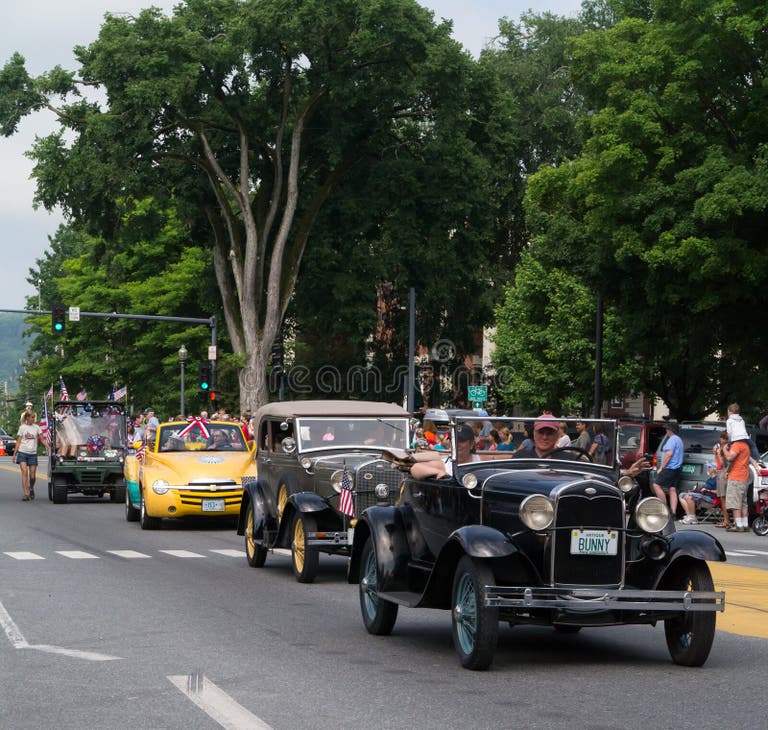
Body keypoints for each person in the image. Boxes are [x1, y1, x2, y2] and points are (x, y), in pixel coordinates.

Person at [410, 424, 479, 479]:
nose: (457, 444)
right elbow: (415, 468)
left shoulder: (481, 459)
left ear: (471, 444)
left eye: (461, 440)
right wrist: (439, 472)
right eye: (454, 440)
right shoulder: (446, 464)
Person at [14, 411, 48, 500]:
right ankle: (26, 494)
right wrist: (15, 454)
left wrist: (48, 447)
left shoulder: (37, 427)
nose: (34, 419)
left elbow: (42, 439)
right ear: (27, 418)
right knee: (24, 472)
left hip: (33, 454)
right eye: (32, 417)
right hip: (22, 452)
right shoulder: (22, 428)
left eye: (34, 417)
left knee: (32, 476)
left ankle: (31, 488)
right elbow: (18, 441)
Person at [652, 422, 684, 516]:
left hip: (669, 468)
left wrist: (662, 467)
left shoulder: (672, 440)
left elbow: (669, 454)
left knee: (656, 485)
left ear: (670, 430)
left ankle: (664, 509)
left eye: (667, 429)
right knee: (672, 489)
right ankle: (673, 512)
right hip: (677, 468)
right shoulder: (679, 440)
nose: (666, 430)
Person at [723, 431, 751, 532]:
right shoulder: (746, 445)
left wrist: (724, 450)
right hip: (744, 477)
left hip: (736, 477)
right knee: (743, 502)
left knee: (735, 502)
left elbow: (730, 457)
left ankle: (738, 525)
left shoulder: (737, 445)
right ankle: (745, 524)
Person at [712, 431, 732, 528]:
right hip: (725, 473)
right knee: (726, 498)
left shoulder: (723, 448)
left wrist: (718, 454)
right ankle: (730, 520)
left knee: (723, 499)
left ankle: (726, 520)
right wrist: (716, 454)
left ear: (722, 439)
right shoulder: (730, 448)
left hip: (723, 473)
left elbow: (722, 464)